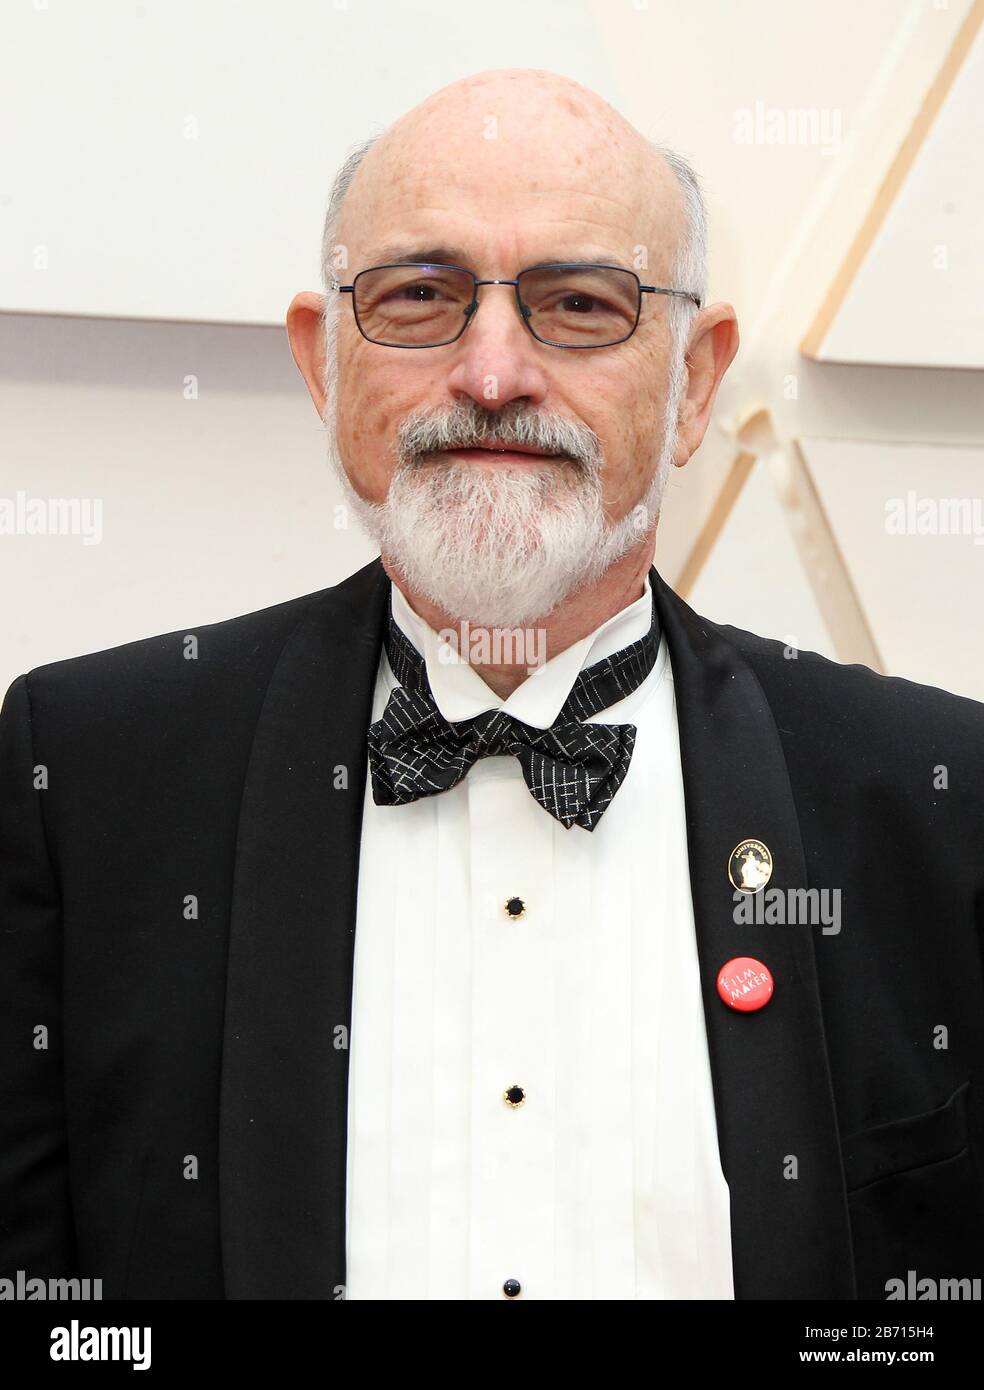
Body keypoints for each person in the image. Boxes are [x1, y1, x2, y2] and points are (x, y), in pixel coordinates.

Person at [2, 68, 982, 1302]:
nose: (492, 372)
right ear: (322, 365)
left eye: (580, 303)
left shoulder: (939, 804)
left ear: (694, 381)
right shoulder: (87, 778)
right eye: (421, 296)